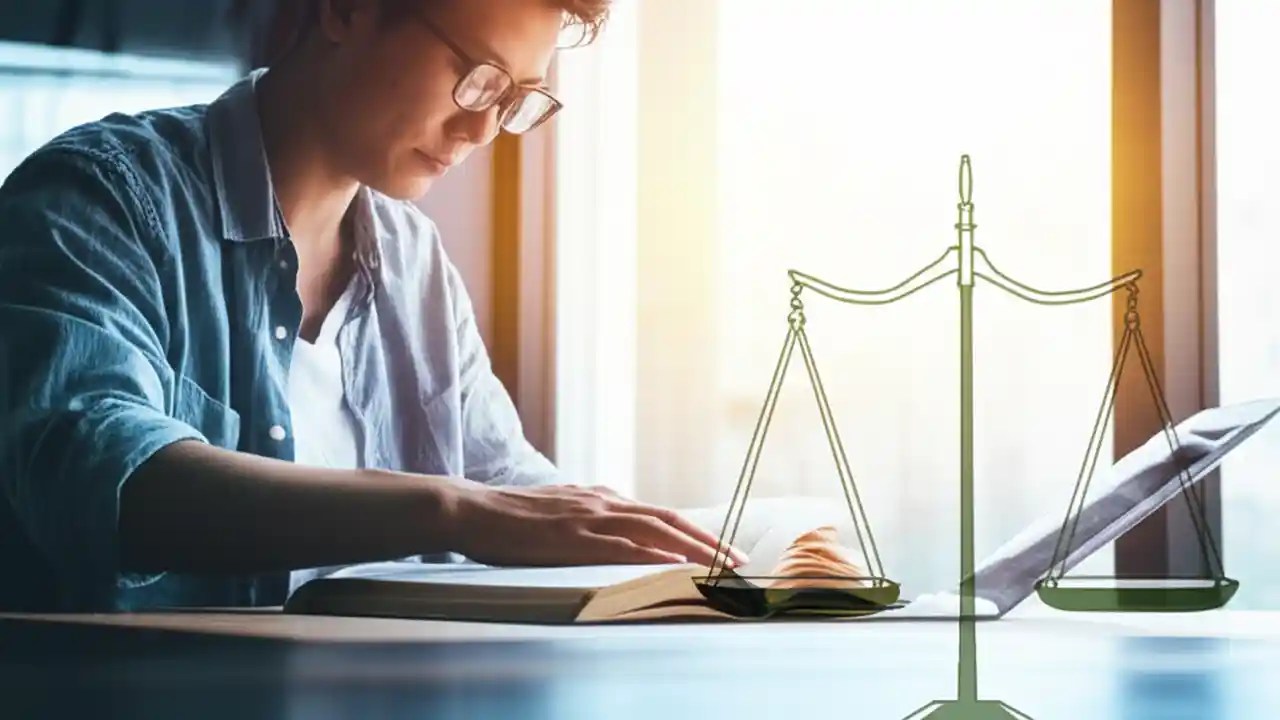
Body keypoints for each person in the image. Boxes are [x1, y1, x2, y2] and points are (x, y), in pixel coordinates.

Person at [0, 0, 746, 612]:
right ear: (346, 10)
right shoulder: (101, 199)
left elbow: (508, 489)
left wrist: (695, 551)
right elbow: (107, 486)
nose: (484, 130)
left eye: (516, 99)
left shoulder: (412, 262)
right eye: (477, 76)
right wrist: (448, 511)